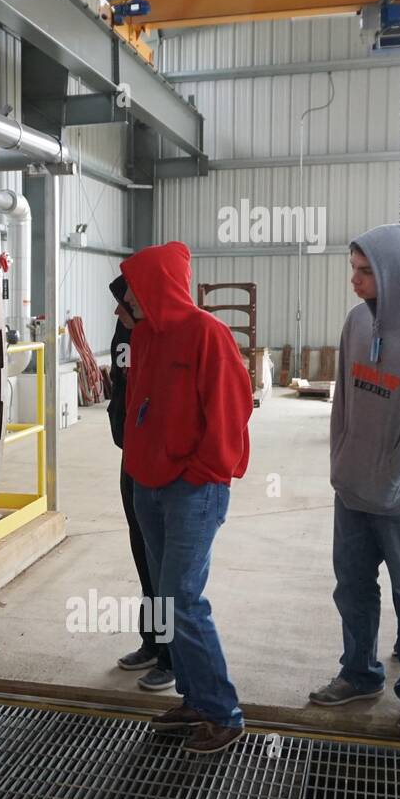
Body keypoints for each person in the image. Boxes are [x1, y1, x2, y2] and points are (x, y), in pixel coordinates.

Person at [310, 224, 400, 735]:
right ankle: (359, 673)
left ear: (394, 270)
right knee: (352, 586)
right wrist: (341, 464)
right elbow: (344, 401)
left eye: (366, 271)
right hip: (353, 488)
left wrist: (389, 485)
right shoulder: (356, 322)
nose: (355, 279)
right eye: (353, 269)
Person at [121, 241, 253, 755]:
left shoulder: (208, 335)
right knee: (166, 598)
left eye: (131, 286)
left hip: (193, 489)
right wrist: (139, 470)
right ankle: (195, 699)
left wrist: (203, 472)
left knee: (181, 600)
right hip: (149, 487)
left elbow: (230, 413)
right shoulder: (147, 335)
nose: (123, 298)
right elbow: (139, 406)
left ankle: (223, 713)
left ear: (155, 285)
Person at [108, 274, 174, 691]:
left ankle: (172, 656)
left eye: (126, 303)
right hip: (132, 458)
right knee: (144, 556)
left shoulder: (172, 338)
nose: (118, 311)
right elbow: (120, 388)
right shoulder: (126, 331)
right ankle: (151, 642)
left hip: (163, 467)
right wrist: (123, 434)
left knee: (167, 566)